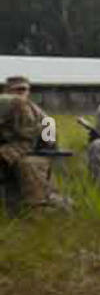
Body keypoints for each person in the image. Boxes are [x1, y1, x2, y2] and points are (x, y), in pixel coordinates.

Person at [0, 76, 66, 211]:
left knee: (28, 164)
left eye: (23, 90)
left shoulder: (44, 118)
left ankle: (41, 206)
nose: (20, 93)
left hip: (32, 155)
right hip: (9, 150)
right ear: (6, 91)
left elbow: (50, 146)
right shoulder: (4, 107)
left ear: (29, 92)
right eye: (15, 90)